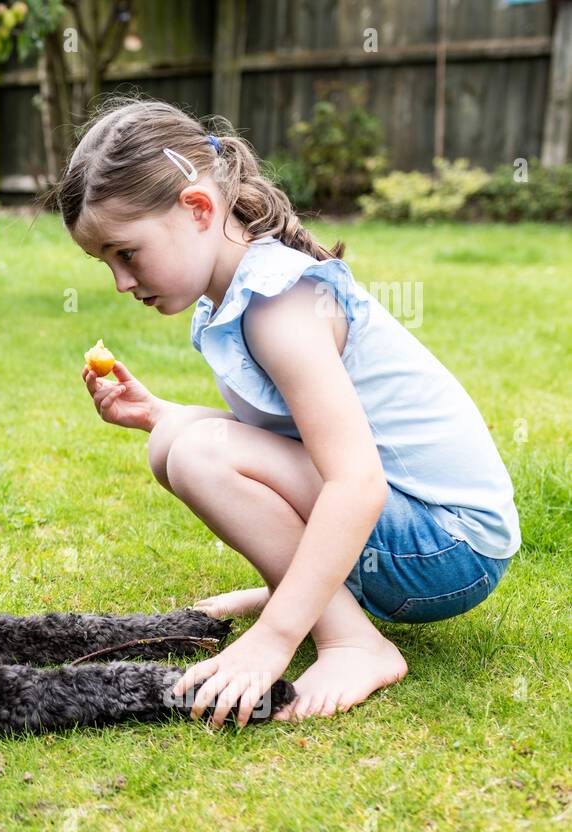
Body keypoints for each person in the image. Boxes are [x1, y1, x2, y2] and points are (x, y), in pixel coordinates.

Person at [48, 97, 520, 729]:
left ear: (197, 208)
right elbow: (281, 436)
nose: (120, 282)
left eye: (126, 253)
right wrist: (157, 412)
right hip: (415, 532)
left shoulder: (278, 305)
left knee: (197, 452)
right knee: (173, 439)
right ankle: (309, 593)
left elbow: (357, 482)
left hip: (450, 547)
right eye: (104, 262)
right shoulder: (237, 294)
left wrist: (274, 638)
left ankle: (354, 643)